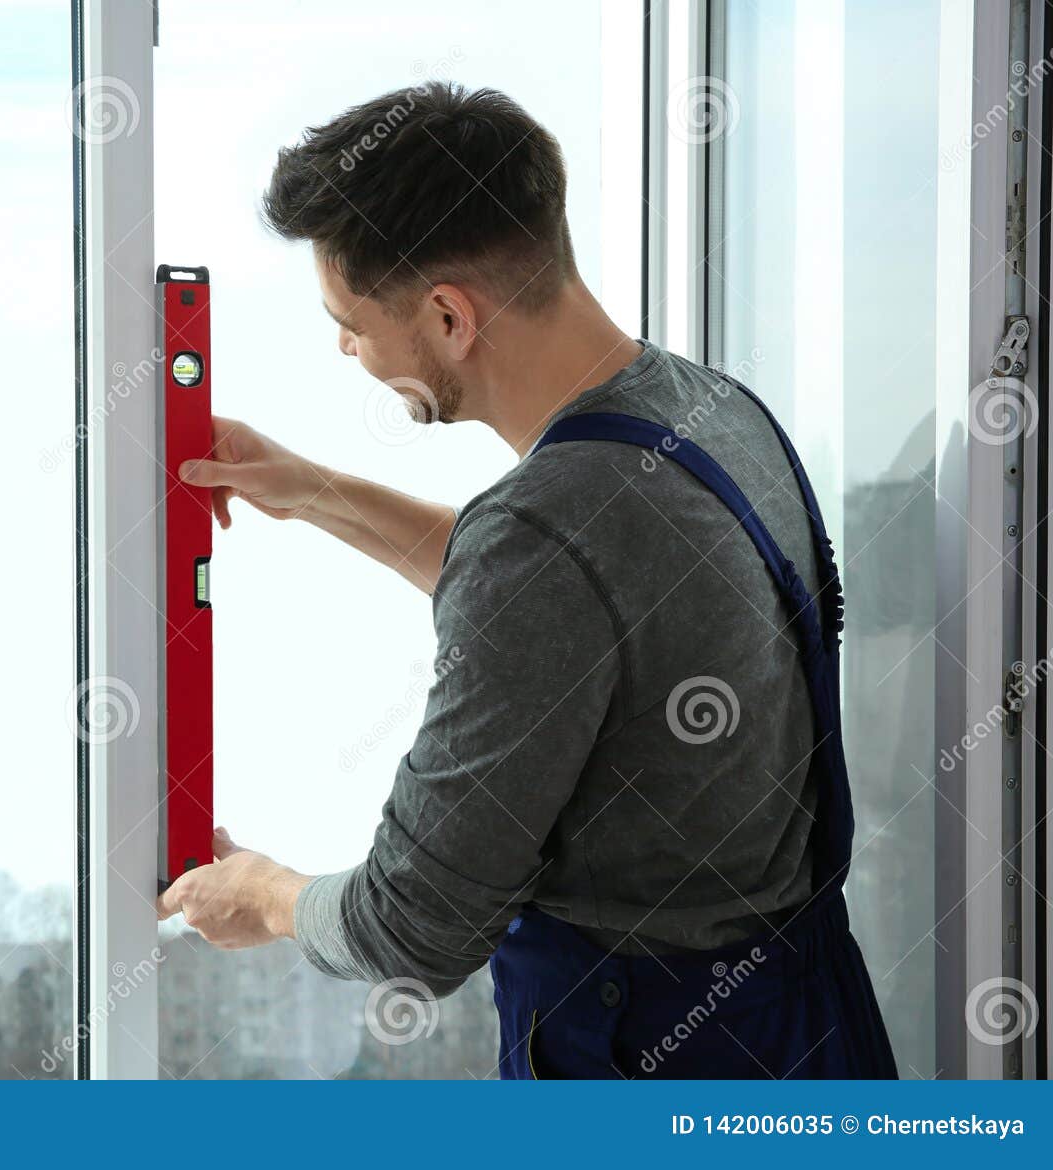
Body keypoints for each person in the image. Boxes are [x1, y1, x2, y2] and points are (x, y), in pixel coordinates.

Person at [155, 82, 897, 1079]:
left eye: (350, 321)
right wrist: (315, 491)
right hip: (806, 1033)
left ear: (450, 317)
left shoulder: (543, 540)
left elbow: (413, 924)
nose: (345, 347)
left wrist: (264, 894)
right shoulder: (706, 408)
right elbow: (585, 601)